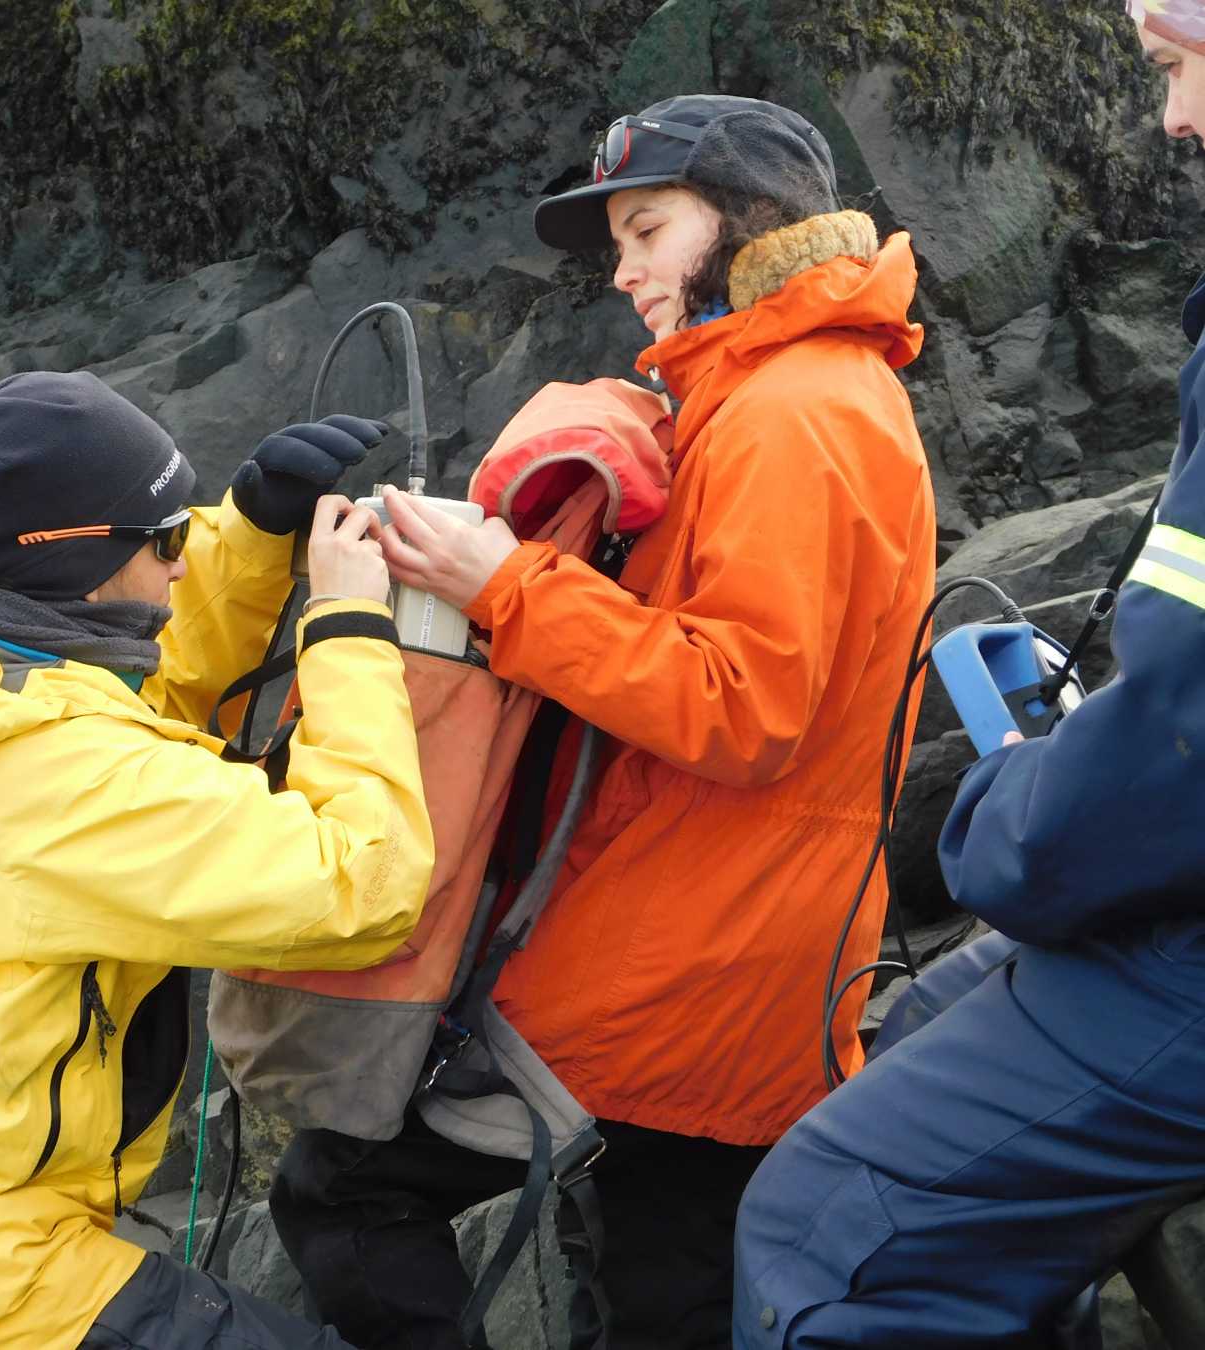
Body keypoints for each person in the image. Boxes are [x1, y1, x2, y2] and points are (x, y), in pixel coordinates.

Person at [267, 94, 939, 1350]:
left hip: (688, 957)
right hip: (746, 955)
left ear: (750, 221)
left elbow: (745, 709)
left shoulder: (796, 408)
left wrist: (503, 586)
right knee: (667, 1288)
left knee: (344, 1190)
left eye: (649, 230)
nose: (625, 272)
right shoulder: (776, 389)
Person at [0, 370, 437, 1350]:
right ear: (70, 560)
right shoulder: (60, 779)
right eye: (167, 540)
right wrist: (348, 624)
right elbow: (359, 884)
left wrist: (249, 537)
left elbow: (129, 710)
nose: (181, 567)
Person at [729, 5, 1205, 1343]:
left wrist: (1007, 823)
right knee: (910, 1021)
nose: (1171, 119)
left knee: (821, 1231)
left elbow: (744, 706)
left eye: (1179, 66)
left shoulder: (796, 411)